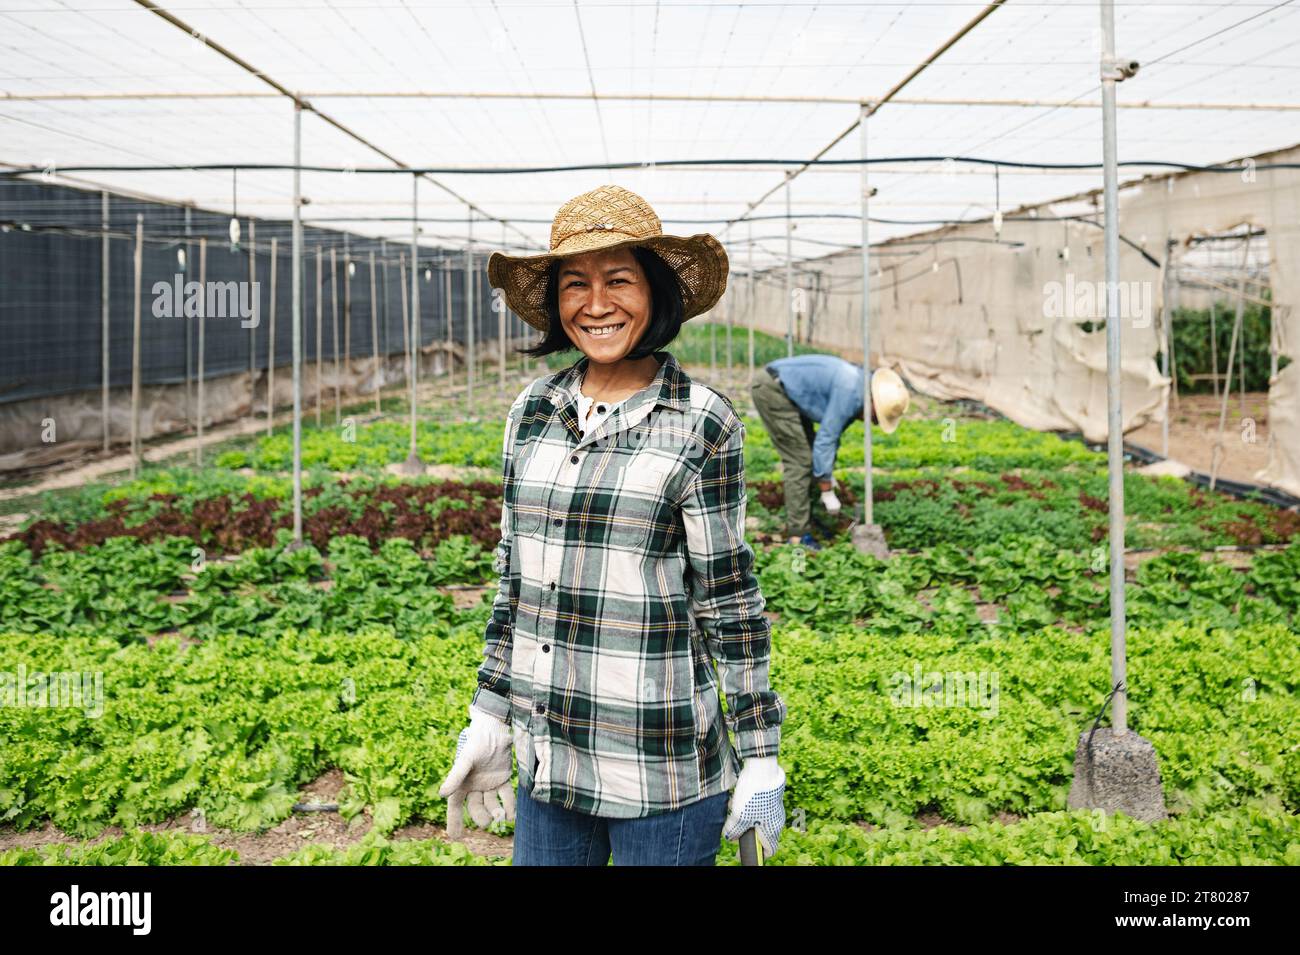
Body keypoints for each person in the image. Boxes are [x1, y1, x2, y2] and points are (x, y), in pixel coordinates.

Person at [437, 184, 787, 866]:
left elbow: (730, 600)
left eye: (618, 279)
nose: (596, 304)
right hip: (551, 767)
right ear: (555, 302)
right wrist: (490, 711)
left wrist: (761, 753)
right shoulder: (532, 412)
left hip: (661, 774)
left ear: (655, 290)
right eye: (576, 284)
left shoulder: (701, 421)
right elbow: (514, 581)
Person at [751, 354, 909, 550]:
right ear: (875, 404)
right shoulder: (851, 393)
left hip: (785, 389)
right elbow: (826, 439)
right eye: (878, 418)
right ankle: (798, 537)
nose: (874, 423)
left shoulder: (859, 388)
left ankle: (807, 518)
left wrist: (827, 473)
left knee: (808, 455)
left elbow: (832, 439)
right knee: (800, 461)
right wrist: (826, 489)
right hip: (773, 389)